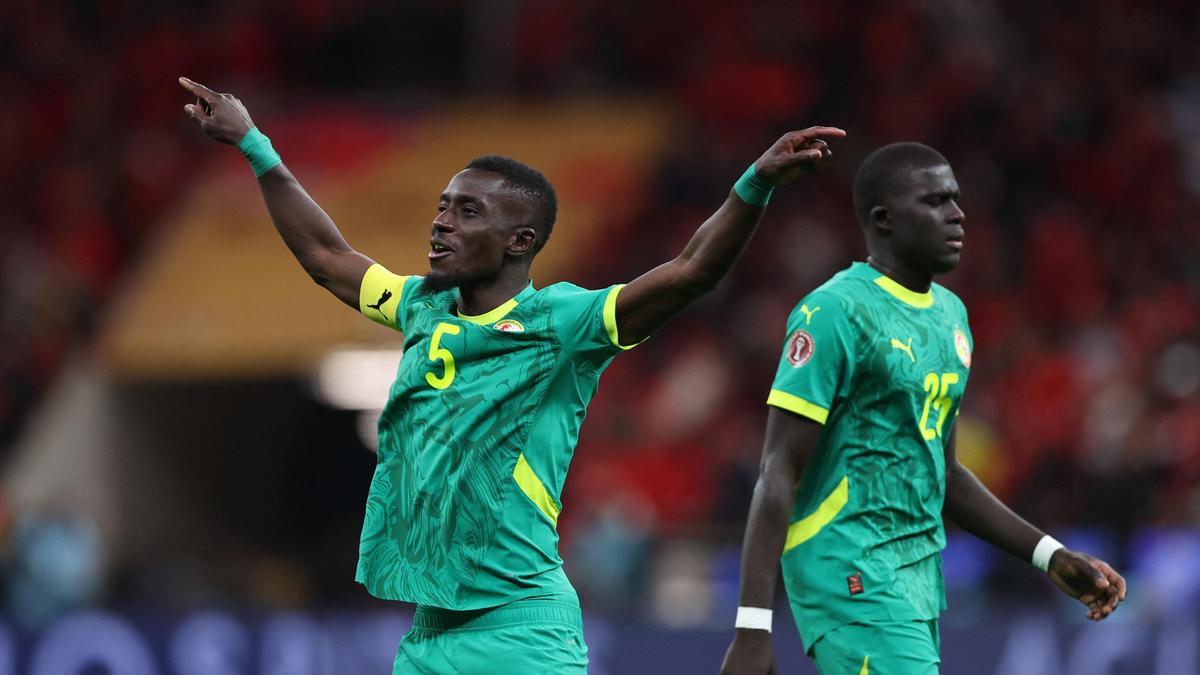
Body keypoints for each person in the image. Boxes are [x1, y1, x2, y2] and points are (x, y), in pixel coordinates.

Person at [178, 76, 845, 673]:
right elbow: (327, 254)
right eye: (443, 204)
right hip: (428, 634)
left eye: (468, 211)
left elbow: (692, 271)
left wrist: (754, 183)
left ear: (519, 240)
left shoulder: (565, 323)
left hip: (520, 632)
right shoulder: (420, 307)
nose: (441, 221)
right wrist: (255, 145)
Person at [719, 142, 1127, 675]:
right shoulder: (834, 313)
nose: (957, 214)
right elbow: (777, 471)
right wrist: (752, 626)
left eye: (956, 199)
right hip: (851, 574)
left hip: (917, 585)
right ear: (884, 219)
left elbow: (946, 474)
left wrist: (1050, 555)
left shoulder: (951, 317)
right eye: (935, 201)